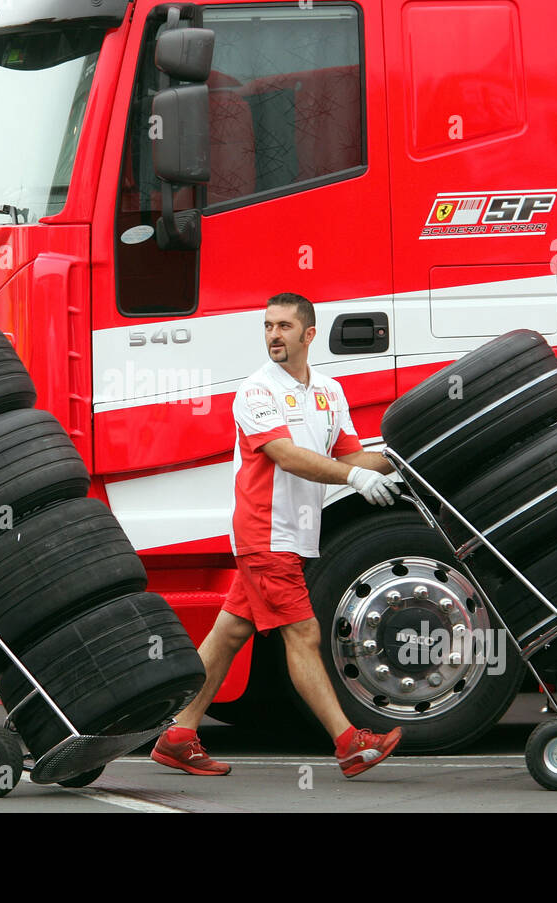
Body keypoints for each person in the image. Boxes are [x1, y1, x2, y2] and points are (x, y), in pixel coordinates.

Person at [151, 292, 405, 778]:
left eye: (284, 327)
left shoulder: (329, 392)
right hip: (266, 536)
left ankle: (179, 734)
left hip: (292, 534)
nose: (273, 335)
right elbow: (287, 456)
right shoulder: (255, 391)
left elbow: (350, 454)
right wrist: (355, 480)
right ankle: (350, 743)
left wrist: (399, 461)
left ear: (309, 335)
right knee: (303, 634)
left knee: (230, 633)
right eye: (268, 326)